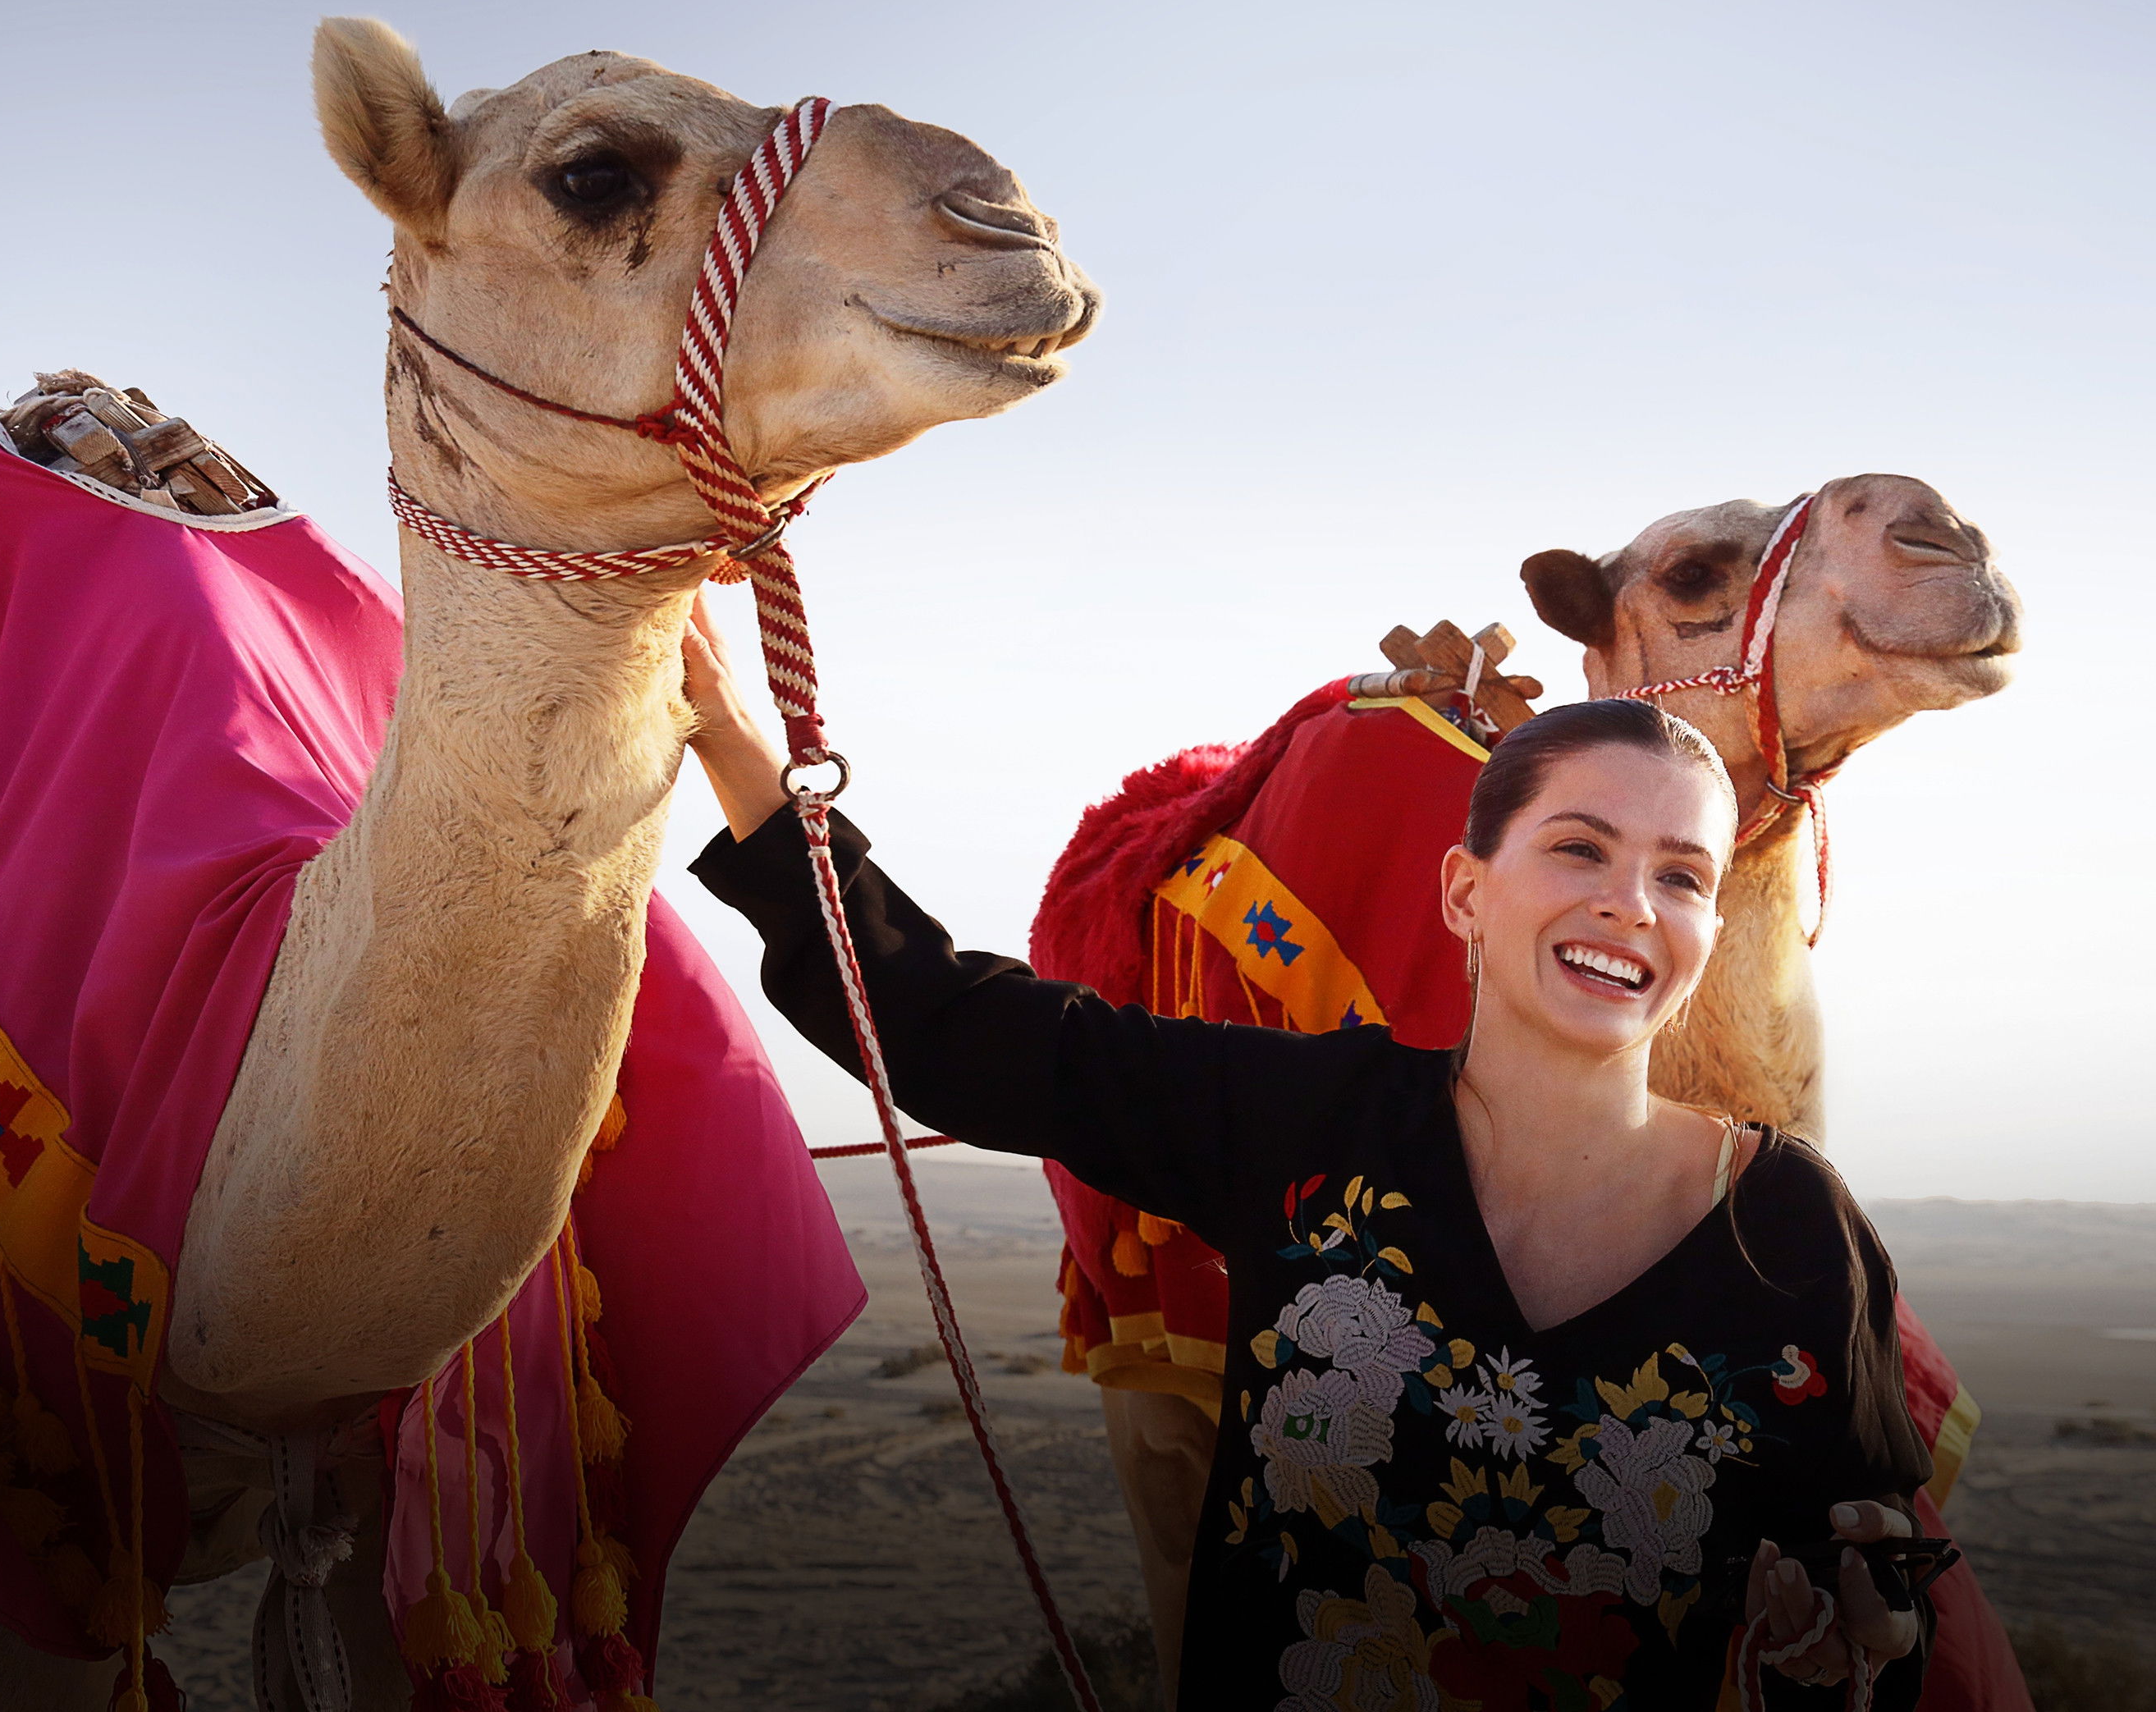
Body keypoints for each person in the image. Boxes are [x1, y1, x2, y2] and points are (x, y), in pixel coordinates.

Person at [679, 605, 1934, 1709]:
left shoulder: (1785, 1229)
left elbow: (1870, 1579)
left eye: (1683, 876)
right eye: (1579, 848)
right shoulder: (1305, 1127)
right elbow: (944, 1023)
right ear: (1463, 893)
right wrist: (742, 749)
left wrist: (1851, 1634)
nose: (1631, 904)